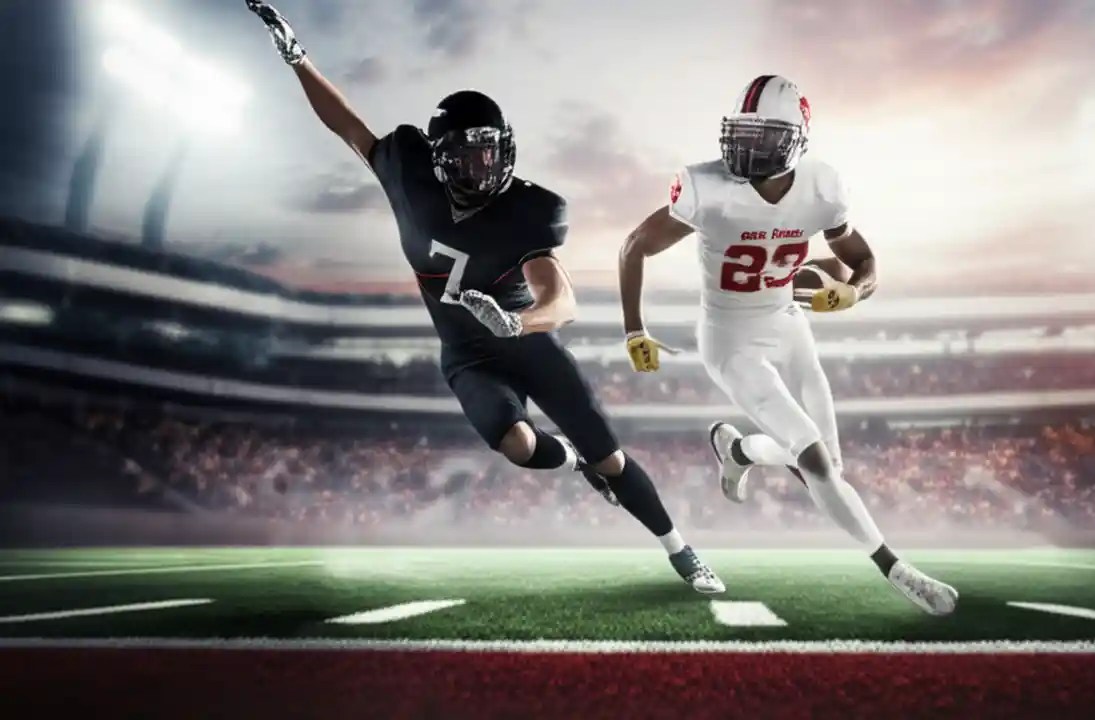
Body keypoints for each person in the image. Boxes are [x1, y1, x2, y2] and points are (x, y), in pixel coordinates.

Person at [245, 1, 723, 593]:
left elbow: (562, 299)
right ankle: (571, 463)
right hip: (468, 354)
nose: (483, 166)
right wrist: (297, 58)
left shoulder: (529, 209)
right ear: (439, 161)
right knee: (520, 445)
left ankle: (680, 550)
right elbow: (348, 125)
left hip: (526, 345)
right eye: (467, 156)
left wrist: (517, 323)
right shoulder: (408, 173)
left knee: (613, 461)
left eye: (490, 151)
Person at [618, 74, 955, 613]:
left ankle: (739, 449)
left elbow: (863, 264)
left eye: (764, 136)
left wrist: (850, 293)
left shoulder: (821, 188)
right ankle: (896, 568)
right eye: (742, 134)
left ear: (796, 139)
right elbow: (635, 244)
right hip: (730, 338)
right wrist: (634, 327)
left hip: (788, 323)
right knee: (816, 463)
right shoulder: (707, 187)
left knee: (828, 467)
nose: (747, 148)